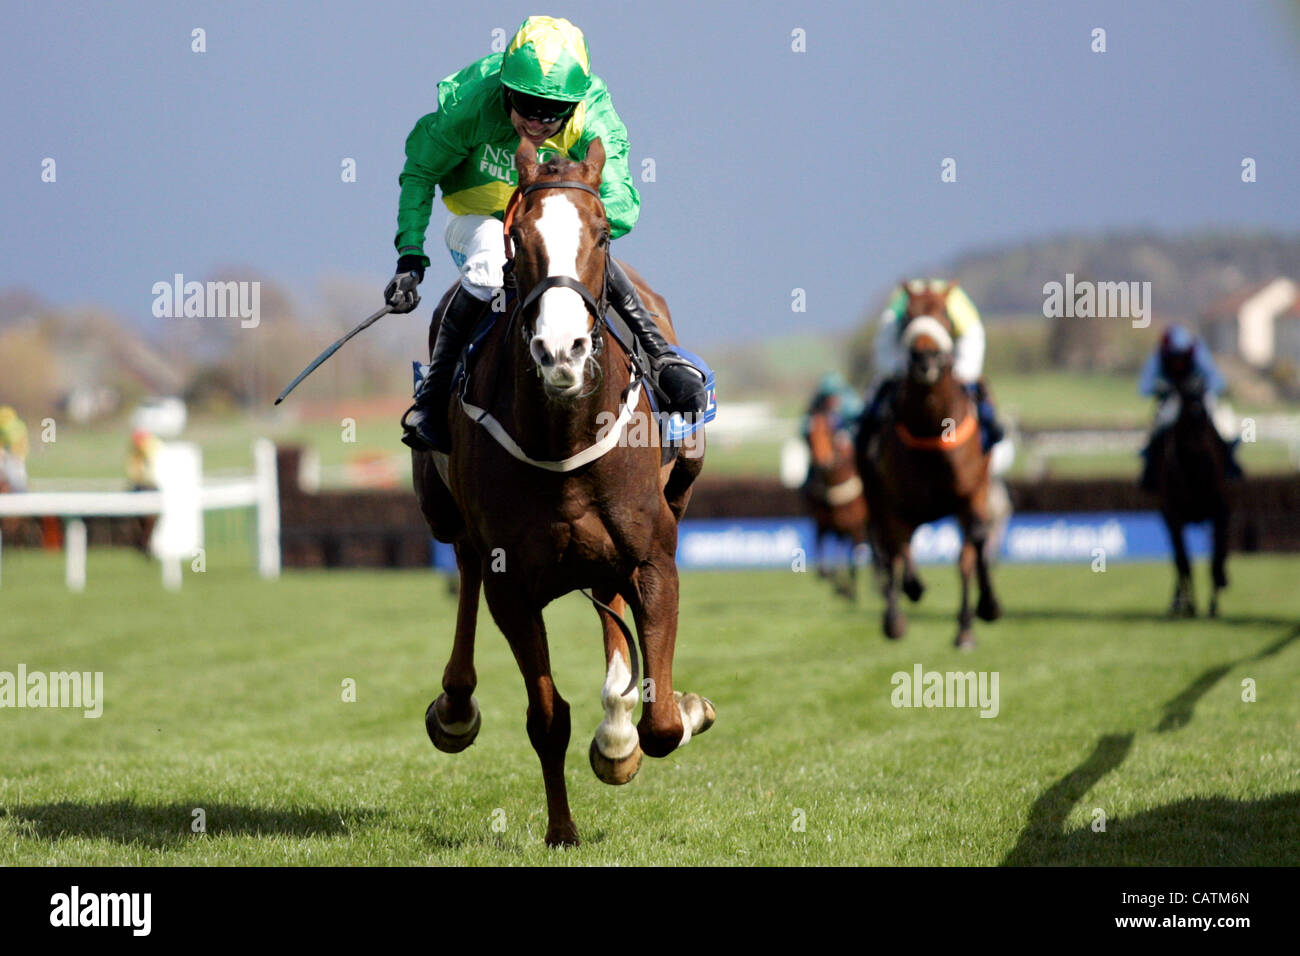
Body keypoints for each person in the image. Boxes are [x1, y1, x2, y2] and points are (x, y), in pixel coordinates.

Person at [386, 15, 708, 453]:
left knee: (577, 257)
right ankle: (435, 393)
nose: (535, 123)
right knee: (486, 269)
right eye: (524, 105)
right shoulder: (469, 106)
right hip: (478, 217)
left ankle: (662, 359)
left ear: (573, 104)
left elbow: (623, 205)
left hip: (550, 216)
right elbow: (420, 173)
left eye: (552, 113)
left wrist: (559, 221)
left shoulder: (593, 115)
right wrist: (410, 259)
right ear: (505, 89)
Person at [858, 279, 1005, 450]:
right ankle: (866, 429)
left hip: (951, 357)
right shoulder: (898, 306)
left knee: (975, 388)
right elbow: (885, 346)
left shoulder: (956, 304)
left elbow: (972, 338)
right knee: (881, 391)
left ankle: (989, 426)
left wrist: (962, 371)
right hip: (907, 357)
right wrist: (897, 368)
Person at [1138, 324, 1242, 490]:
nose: (1177, 361)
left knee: (1223, 426)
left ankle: (1230, 465)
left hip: (1198, 396)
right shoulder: (1159, 354)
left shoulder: (1197, 350)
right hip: (1172, 397)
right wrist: (1161, 388)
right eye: (1174, 356)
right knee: (1158, 428)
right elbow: (1145, 386)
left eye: (1181, 356)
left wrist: (1201, 388)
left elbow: (1217, 380)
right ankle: (1150, 470)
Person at [0, 405, 29, 492]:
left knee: (17, 483)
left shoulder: (15, 427)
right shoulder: (19, 425)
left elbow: (12, 439)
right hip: (15, 460)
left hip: (14, 460)